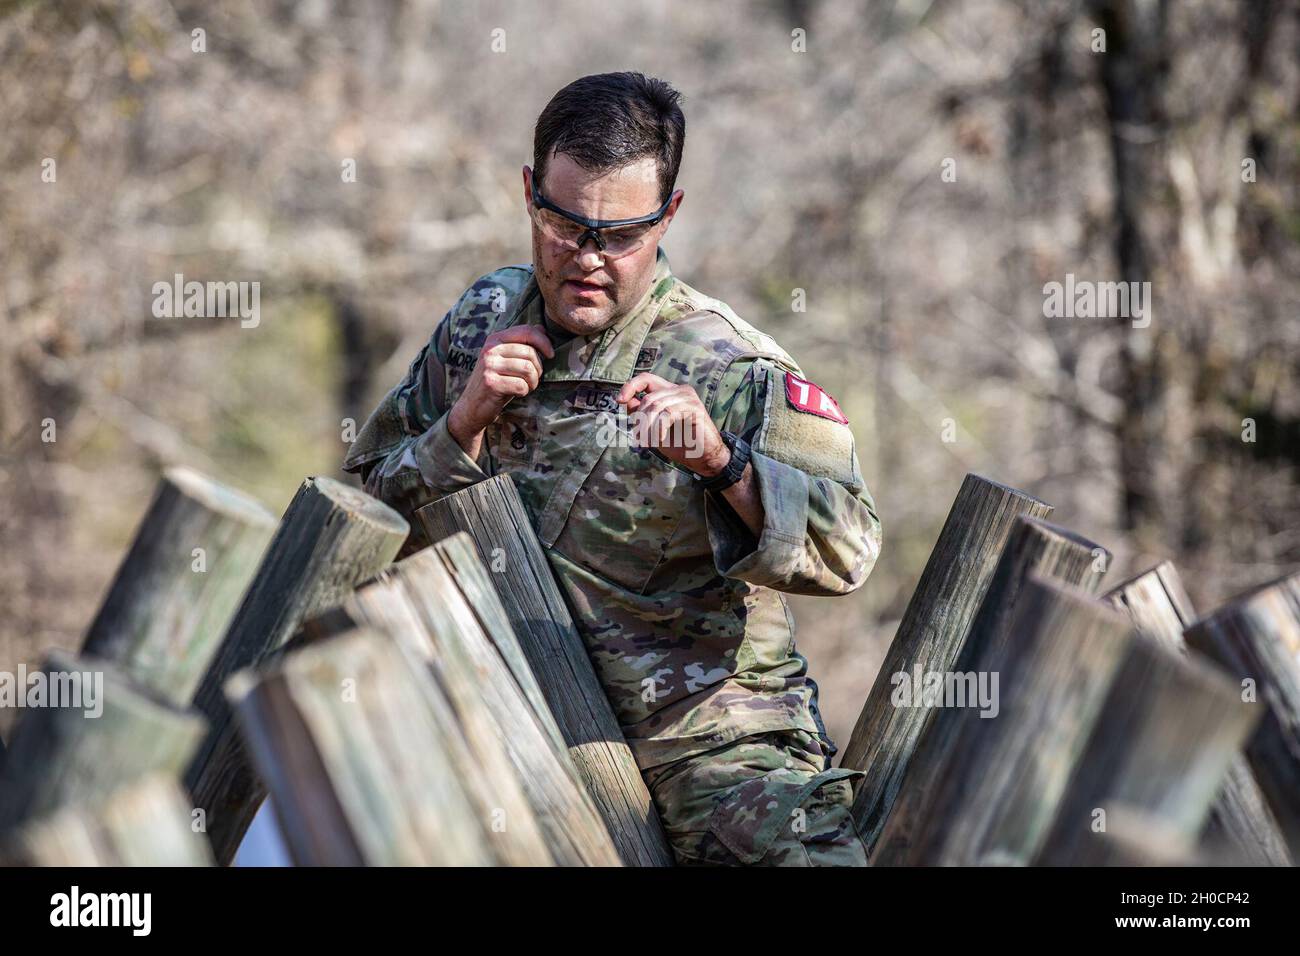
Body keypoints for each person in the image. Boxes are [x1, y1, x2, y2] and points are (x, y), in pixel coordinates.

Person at [343, 71, 882, 865]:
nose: (589, 259)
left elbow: (853, 549)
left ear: (669, 216)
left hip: (705, 741)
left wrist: (721, 461)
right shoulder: (482, 323)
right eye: (565, 226)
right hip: (506, 726)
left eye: (622, 235)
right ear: (531, 194)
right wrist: (459, 428)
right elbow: (361, 511)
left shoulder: (734, 369)